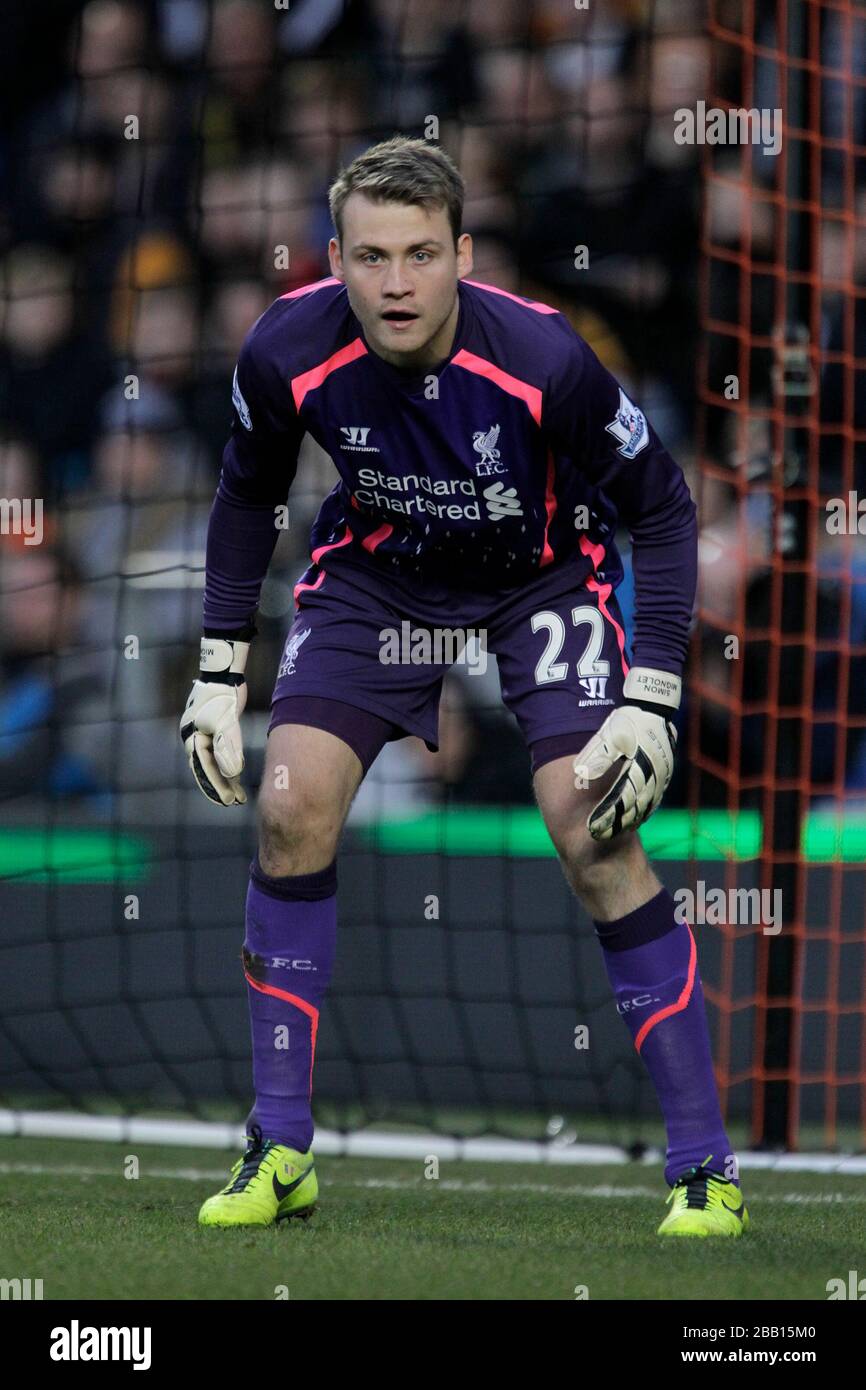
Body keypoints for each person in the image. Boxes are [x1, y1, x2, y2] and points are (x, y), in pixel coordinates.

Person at [183, 136, 748, 1237]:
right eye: (372, 256)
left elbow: (664, 509)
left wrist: (650, 690)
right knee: (289, 805)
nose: (396, 283)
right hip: (376, 574)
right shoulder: (283, 349)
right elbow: (244, 497)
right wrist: (216, 667)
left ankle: (703, 1165)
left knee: (587, 830)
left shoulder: (545, 359)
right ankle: (280, 1147)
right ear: (333, 258)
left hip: (538, 575)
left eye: (421, 255)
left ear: (463, 256)